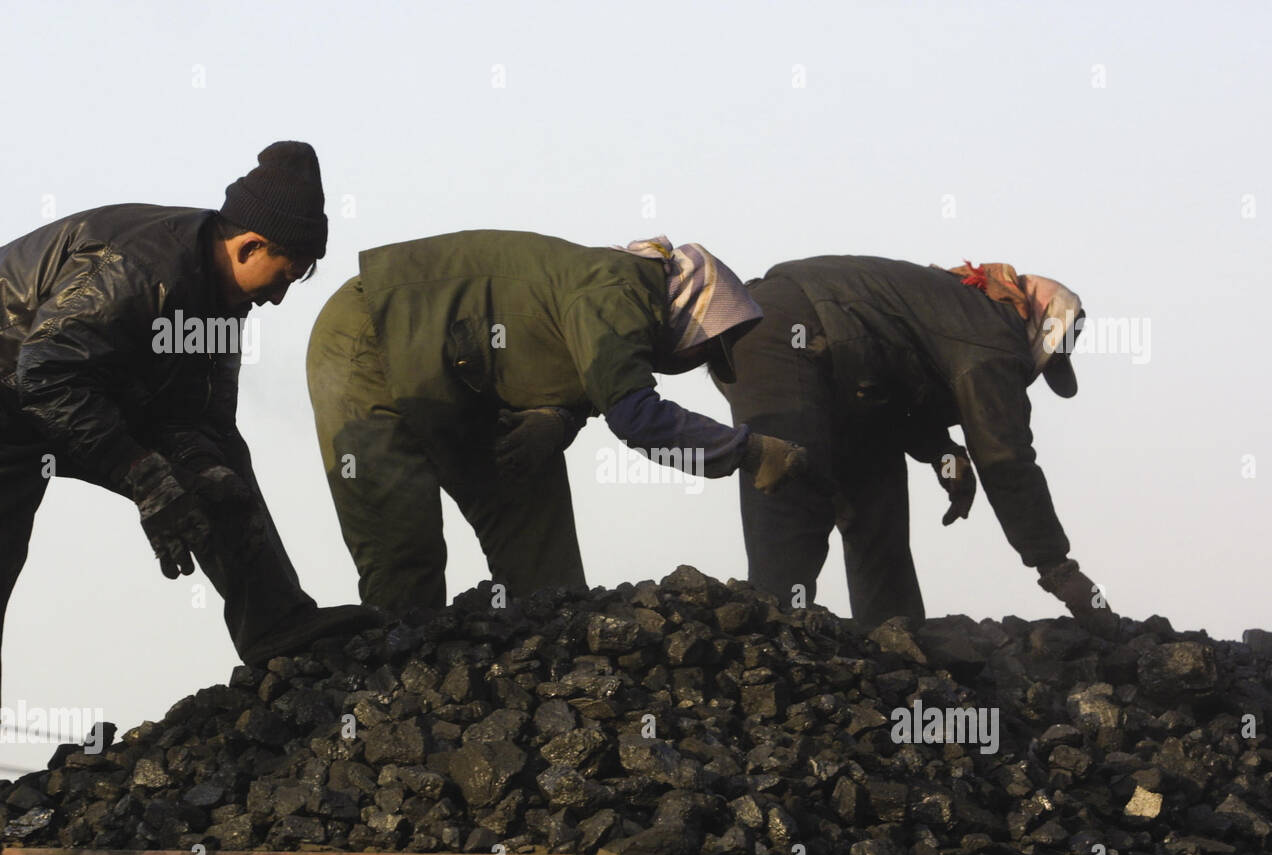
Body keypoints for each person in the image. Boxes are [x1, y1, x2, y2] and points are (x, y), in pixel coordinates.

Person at [0, 142, 383, 675]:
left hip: (71, 392)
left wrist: (200, 476)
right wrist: (143, 475)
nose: (278, 300)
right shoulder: (139, 268)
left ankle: (276, 624)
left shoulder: (221, 306)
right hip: (16, 388)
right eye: (283, 279)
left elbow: (203, 424)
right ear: (251, 247)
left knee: (218, 470)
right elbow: (45, 372)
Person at [307, 231, 806, 612]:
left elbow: (558, 362)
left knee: (550, 585)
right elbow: (638, 418)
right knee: (403, 559)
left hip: (466, 379)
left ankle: (547, 702)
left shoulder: (618, 297)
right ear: (693, 310)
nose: (694, 361)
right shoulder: (619, 288)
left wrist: (557, 417)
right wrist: (748, 452)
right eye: (705, 347)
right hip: (371, 334)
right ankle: (388, 711)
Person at [715, 255, 1122, 637]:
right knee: (793, 484)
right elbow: (1005, 457)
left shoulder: (957, 309)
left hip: (839, 368)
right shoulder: (996, 331)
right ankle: (765, 654)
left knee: (877, 511)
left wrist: (940, 451)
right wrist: (1058, 568)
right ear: (1042, 324)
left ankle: (894, 657)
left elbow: (886, 363)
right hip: (780, 333)